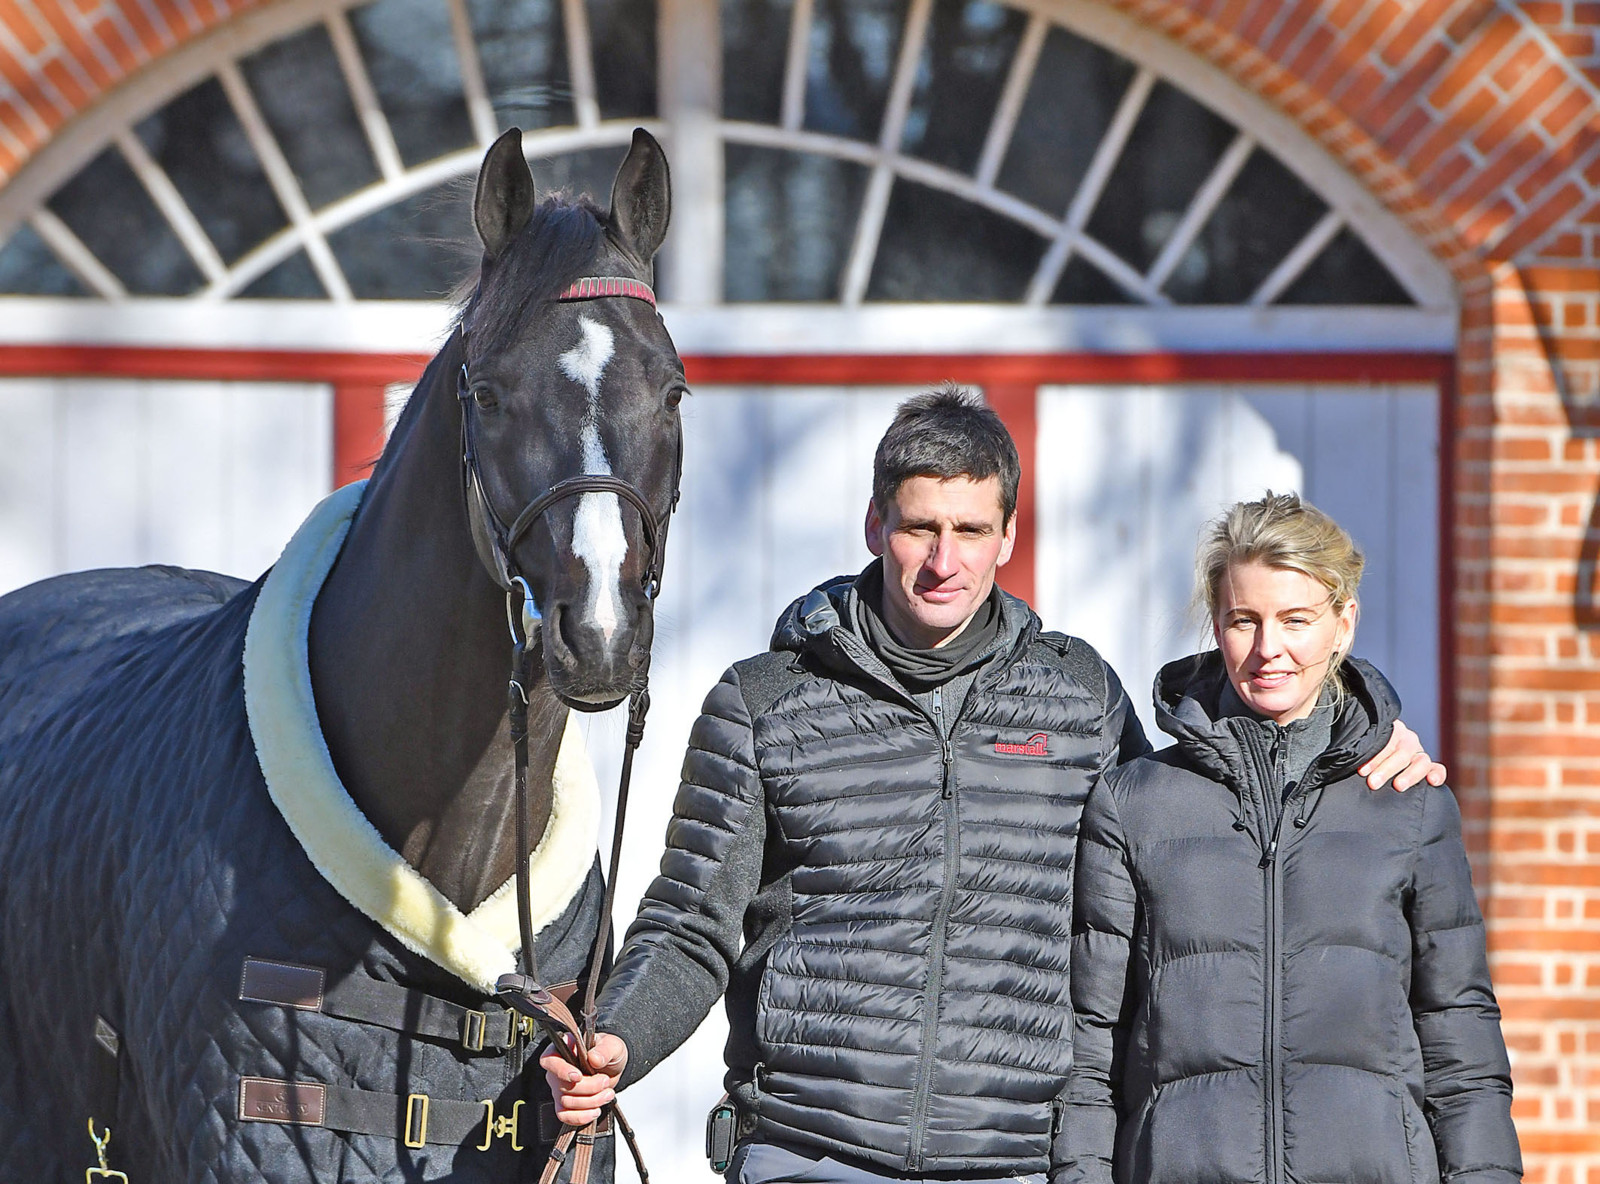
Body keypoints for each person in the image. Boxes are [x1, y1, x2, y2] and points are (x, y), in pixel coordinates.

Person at [546, 391, 1444, 1183]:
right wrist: (622, 1038)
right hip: (808, 1148)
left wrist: (1357, 741)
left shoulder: (1079, 697)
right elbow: (690, 921)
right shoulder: (766, 701)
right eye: (920, 527)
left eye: (972, 531)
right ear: (874, 525)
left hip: (1017, 1157)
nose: (946, 561)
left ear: (1009, 535)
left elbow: (1197, 838)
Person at [1061, 492, 1520, 1184]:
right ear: (1216, 627)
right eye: (1244, 620)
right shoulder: (1135, 805)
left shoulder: (1407, 804)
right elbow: (1092, 1046)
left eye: (1296, 620)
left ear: (1343, 625)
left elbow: (1461, 1036)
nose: (1268, 649)